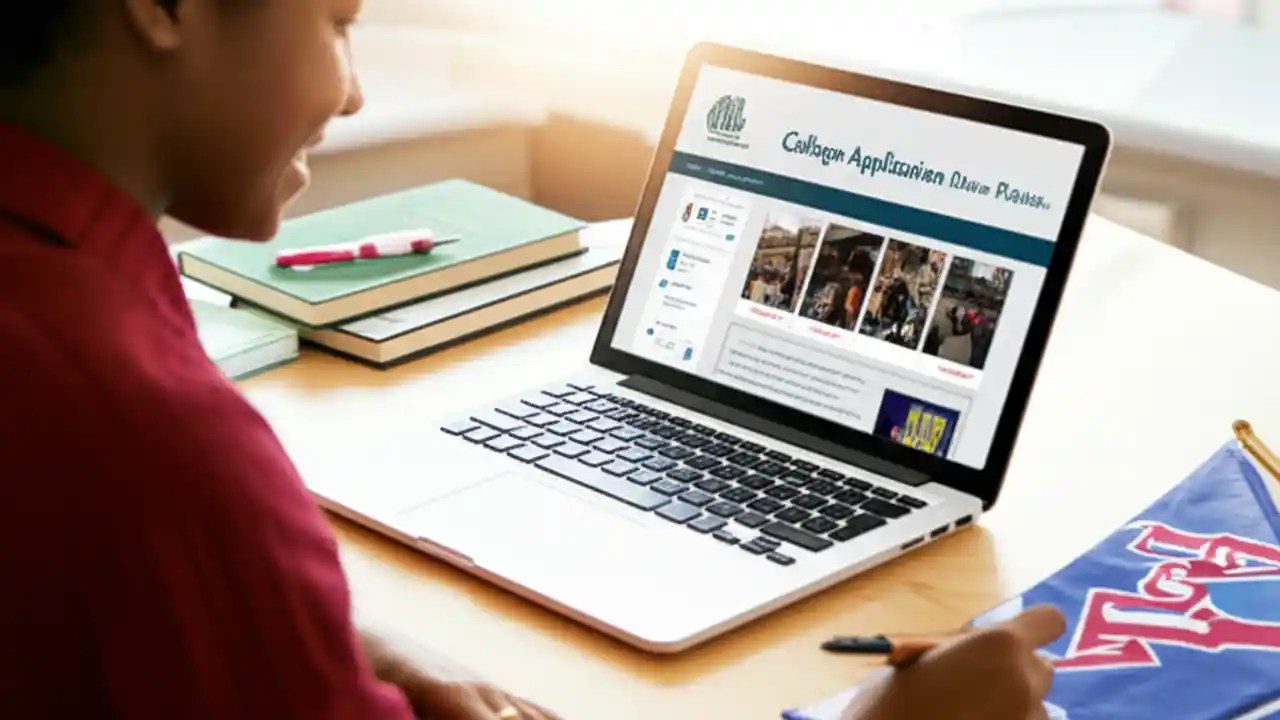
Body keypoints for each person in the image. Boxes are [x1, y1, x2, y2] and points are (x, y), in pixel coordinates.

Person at [0, 2, 1066, 718]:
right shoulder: (143, 432)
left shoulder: (76, 287)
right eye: (335, 21)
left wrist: (344, 647)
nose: (355, 92)